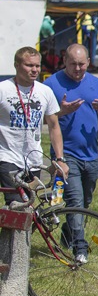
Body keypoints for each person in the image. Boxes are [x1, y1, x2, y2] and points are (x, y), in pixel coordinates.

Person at [45, 44, 98, 263]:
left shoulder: (97, 84)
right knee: (75, 201)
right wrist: (62, 111)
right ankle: (80, 248)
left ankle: (68, 233)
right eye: (73, 64)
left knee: (85, 202)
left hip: (91, 155)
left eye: (81, 64)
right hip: (66, 155)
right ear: (64, 61)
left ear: (88, 62)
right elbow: (41, 119)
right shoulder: (51, 84)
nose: (77, 68)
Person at [0, 46, 68, 203]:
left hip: (34, 160)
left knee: (30, 205)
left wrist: (60, 159)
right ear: (17, 65)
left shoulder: (45, 91)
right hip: (7, 157)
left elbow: (54, 126)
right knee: (18, 203)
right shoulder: (3, 89)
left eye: (37, 65)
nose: (35, 70)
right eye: (29, 65)